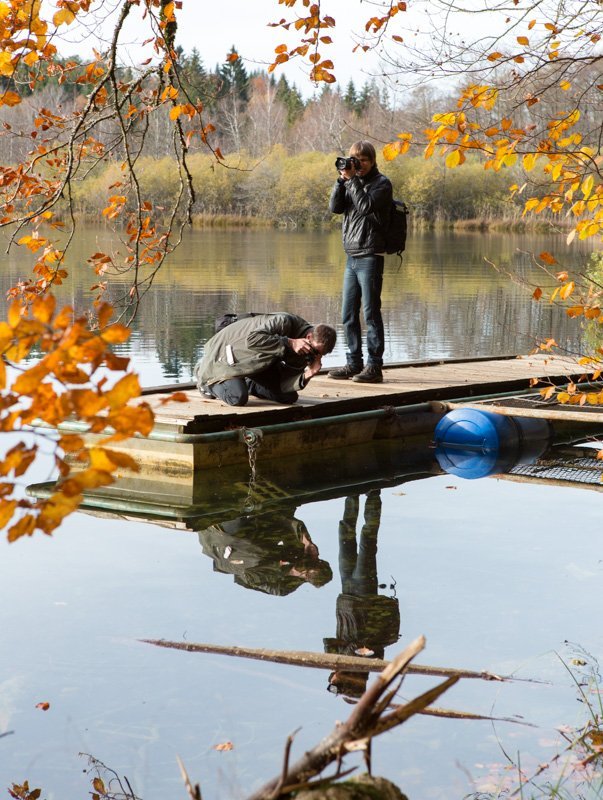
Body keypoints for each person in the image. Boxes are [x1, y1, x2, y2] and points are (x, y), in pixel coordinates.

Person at [328, 141, 393, 384]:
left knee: (371, 312)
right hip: (352, 255)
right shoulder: (350, 181)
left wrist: (352, 180)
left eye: (364, 160)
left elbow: (365, 207)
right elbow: (335, 208)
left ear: (373, 161)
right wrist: (340, 181)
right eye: (356, 160)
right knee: (348, 313)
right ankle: (354, 363)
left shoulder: (382, 184)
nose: (359, 164)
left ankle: (374, 367)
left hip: (371, 255)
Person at [193, 312, 336, 406]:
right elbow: (252, 339)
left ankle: (248, 382)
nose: (316, 356)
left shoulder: (307, 350)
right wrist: (289, 342)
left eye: (322, 354)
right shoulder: (283, 322)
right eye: (317, 351)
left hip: (257, 362)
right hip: (226, 355)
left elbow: (286, 381)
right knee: (237, 397)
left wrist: (308, 374)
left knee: (288, 397)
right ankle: (205, 382)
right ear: (309, 337)